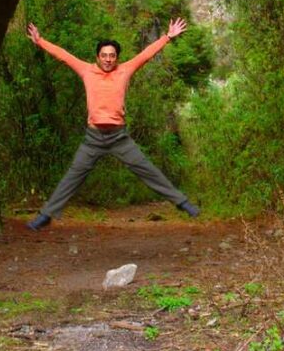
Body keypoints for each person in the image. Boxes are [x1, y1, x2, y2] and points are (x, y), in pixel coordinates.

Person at [25, 18, 201, 231]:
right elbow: (63, 56)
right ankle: (46, 215)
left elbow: (146, 55)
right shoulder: (86, 70)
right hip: (93, 138)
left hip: (119, 138)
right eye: (104, 56)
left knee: (147, 169)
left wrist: (168, 37)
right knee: (72, 176)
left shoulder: (125, 70)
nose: (108, 59)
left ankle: (183, 203)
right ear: (97, 57)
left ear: (117, 58)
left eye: (112, 56)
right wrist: (40, 41)